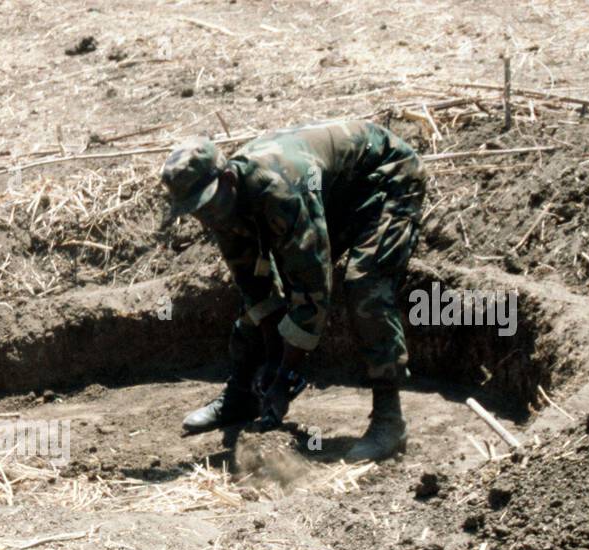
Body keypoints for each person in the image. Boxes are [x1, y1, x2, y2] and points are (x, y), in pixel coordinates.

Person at [160, 120, 427, 461]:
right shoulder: (221, 207)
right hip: (333, 188)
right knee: (256, 294)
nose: (205, 219)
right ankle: (242, 394)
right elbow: (254, 286)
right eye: (195, 210)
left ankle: (389, 420)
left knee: (365, 286)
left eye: (206, 205)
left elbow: (313, 291)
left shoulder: (281, 187)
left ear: (227, 179)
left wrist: (286, 376)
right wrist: (272, 361)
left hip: (387, 179)